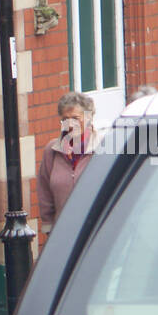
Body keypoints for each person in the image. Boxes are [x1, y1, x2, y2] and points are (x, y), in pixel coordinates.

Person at [37, 91, 96, 240]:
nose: (70, 124)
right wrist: (49, 228)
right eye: (65, 119)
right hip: (62, 234)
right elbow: (44, 192)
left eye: (76, 118)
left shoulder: (103, 149)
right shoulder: (52, 151)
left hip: (96, 231)